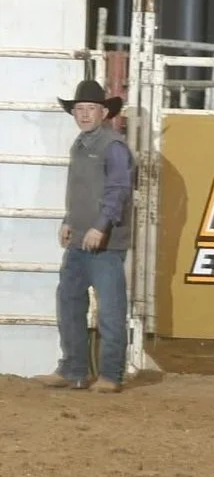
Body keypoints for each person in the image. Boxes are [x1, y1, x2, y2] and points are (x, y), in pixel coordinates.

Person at [34, 80, 134, 393]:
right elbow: (80, 191)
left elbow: (118, 190)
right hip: (79, 240)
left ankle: (110, 375)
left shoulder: (113, 145)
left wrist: (100, 225)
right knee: (69, 303)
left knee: (111, 310)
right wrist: (69, 220)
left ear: (104, 112)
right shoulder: (81, 144)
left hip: (104, 244)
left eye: (91, 108)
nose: (85, 114)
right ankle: (74, 369)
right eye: (80, 109)